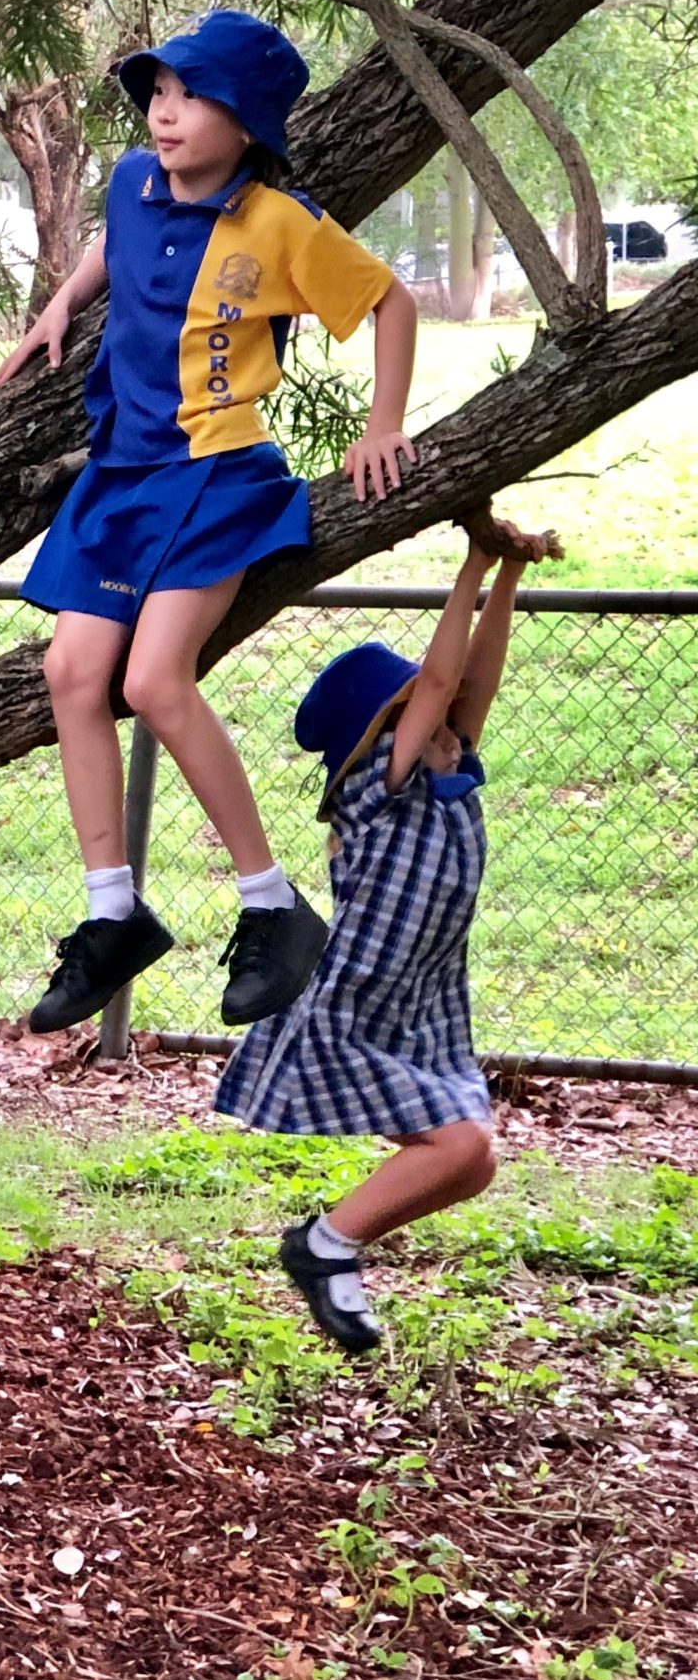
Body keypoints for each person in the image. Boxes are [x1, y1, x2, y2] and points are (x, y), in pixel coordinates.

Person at [0, 9, 419, 1036]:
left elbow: (391, 302)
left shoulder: (279, 222)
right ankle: (112, 913)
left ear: (248, 121)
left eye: (194, 95)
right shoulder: (133, 183)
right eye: (159, 91)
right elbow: (111, 242)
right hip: (120, 479)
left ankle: (272, 905)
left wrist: (383, 425)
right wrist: (61, 302)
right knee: (70, 673)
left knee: (152, 680)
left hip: (217, 475)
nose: (166, 110)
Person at [216, 513, 559, 1351]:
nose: (449, 721)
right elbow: (442, 679)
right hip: (356, 1006)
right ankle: (324, 1246)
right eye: (421, 712)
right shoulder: (379, 785)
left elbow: (473, 680)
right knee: (463, 1144)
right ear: (381, 730)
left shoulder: (448, 767)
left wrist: (510, 574)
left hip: (419, 1011)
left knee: (473, 1161)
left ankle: (332, 1245)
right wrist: (473, 563)